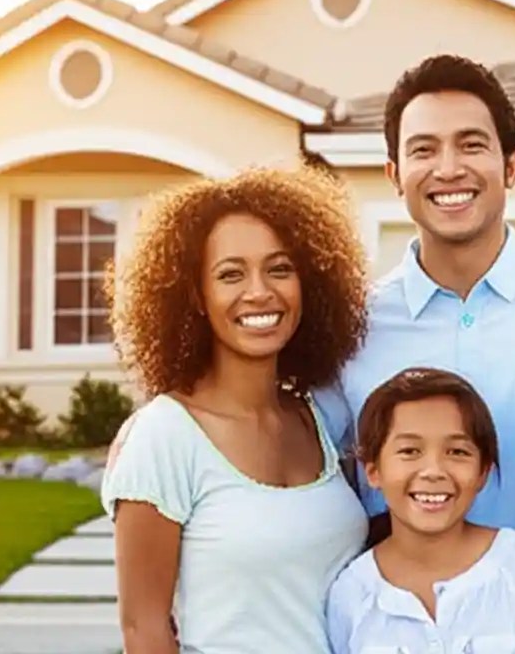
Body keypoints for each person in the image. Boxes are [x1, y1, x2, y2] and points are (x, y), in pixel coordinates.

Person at [313, 54, 515, 540]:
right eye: (424, 150)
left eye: (471, 145)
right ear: (394, 175)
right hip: (392, 612)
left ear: (512, 166)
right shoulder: (352, 326)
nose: (448, 169)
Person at [100, 163, 373, 653]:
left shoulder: (316, 418)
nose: (259, 292)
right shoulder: (164, 436)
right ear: (197, 297)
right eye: (230, 274)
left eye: (280, 269)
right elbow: (144, 630)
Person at [326, 366, 515, 653]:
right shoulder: (351, 595)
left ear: (483, 471)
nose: (434, 471)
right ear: (372, 471)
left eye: (457, 452)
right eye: (409, 451)